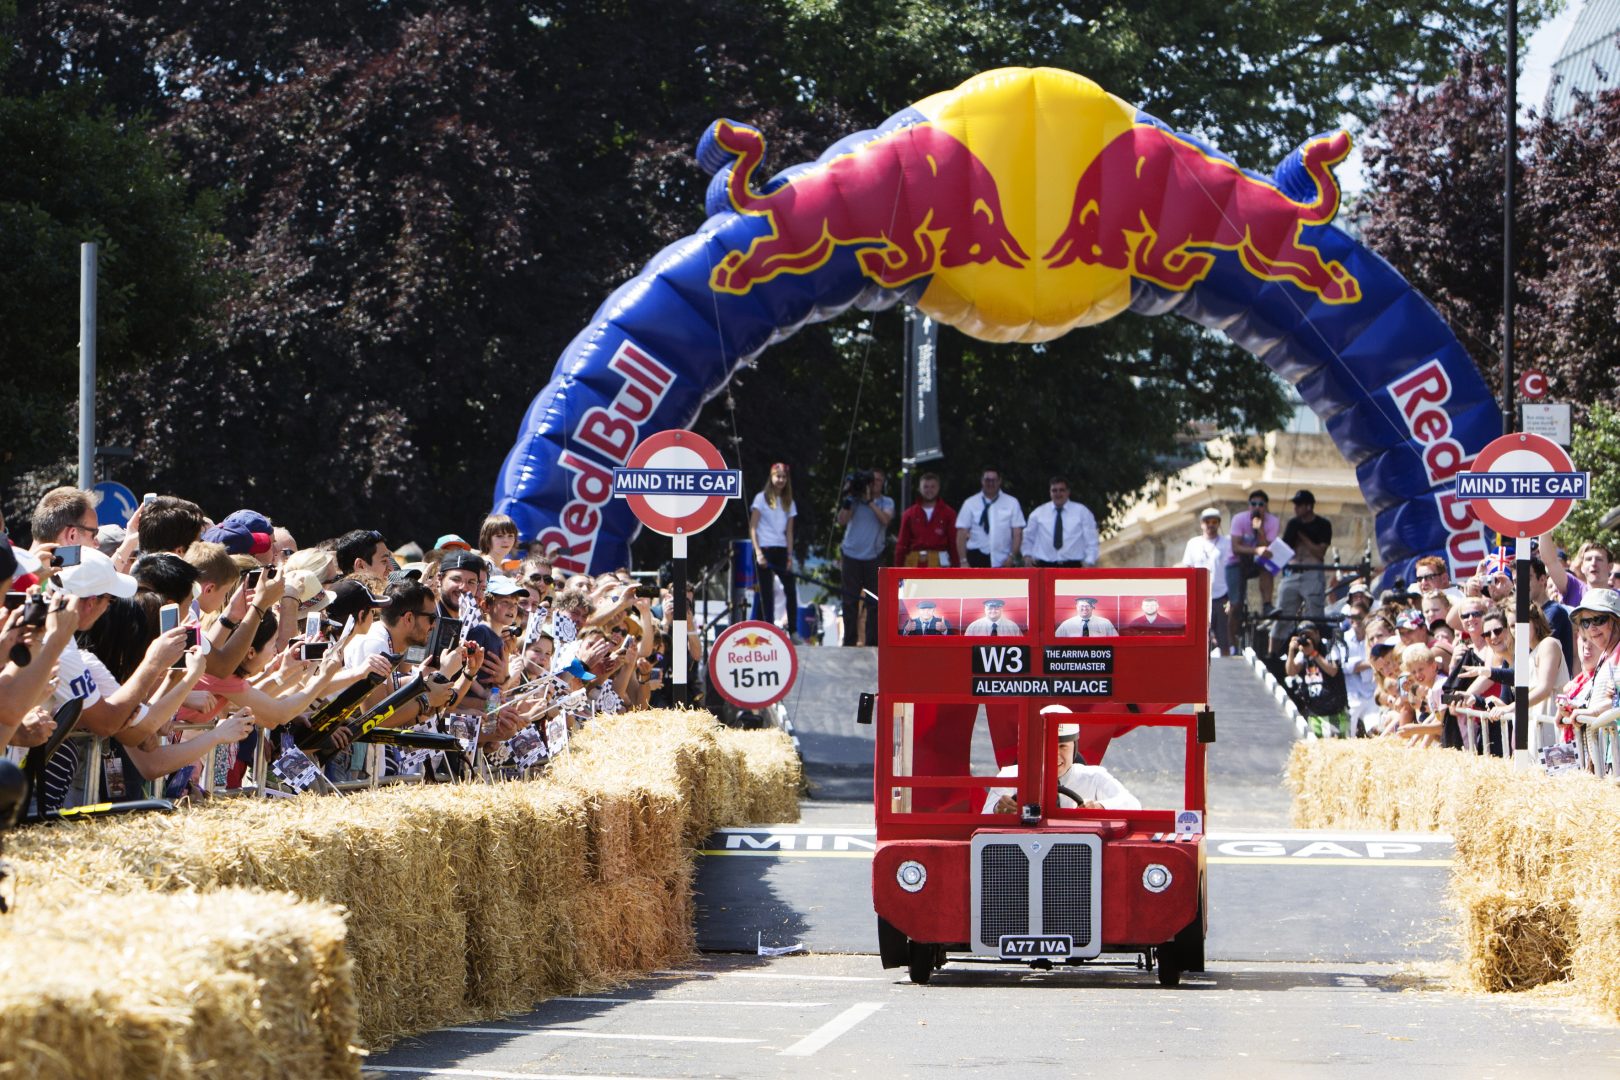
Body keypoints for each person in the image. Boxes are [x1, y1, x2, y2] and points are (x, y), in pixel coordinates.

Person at [984, 709, 1141, 813]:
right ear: (1032, 748)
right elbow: (984, 817)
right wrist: (999, 808)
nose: (1054, 755)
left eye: (1062, 746)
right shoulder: (1010, 776)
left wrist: (1099, 806)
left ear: (1075, 747)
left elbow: (1133, 805)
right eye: (1045, 746)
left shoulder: (1094, 777)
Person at [1269, 490, 1332, 655]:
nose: (1296, 508)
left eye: (1299, 505)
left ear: (1309, 506)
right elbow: (1285, 549)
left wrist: (1303, 538)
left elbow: (1320, 552)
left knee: (1314, 616)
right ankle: (1272, 655)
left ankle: (1315, 654)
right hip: (1293, 573)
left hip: (1313, 573)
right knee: (1282, 615)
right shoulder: (1293, 524)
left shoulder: (1323, 525)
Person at [836, 467, 893, 646]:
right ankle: (849, 640)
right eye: (871, 480)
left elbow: (885, 520)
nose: (874, 484)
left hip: (873, 556)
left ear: (883, 483)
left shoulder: (886, 502)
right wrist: (849, 498)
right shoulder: (855, 501)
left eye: (878, 480)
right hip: (851, 556)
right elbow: (841, 520)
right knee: (849, 601)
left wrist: (870, 502)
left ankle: (872, 642)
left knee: (874, 602)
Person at [748, 463, 798, 634]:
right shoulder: (761, 498)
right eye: (778, 476)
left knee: (790, 590)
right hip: (765, 548)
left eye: (784, 477)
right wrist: (758, 553)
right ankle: (768, 628)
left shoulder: (789, 502)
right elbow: (753, 527)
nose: (781, 480)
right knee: (766, 592)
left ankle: (793, 630)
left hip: (782, 549)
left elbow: (789, 531)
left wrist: (790, 556)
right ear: (771, 477)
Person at [1226, 490, 1279, 651]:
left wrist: (1260, 529)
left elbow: (1268, 549)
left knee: (1269, 566)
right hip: (1236, 562)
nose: (1257, 507)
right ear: (1249, 506)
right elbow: (1235, 548)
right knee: (1235, 604)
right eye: (1253, 504)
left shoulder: (1272, 521)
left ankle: (1267, 604)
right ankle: (1230, 642)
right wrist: (1256, 550)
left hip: (1257, 562)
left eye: (1261, 504)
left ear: (1266, 507)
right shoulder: (1239, 519)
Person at [1180, 507, 1232, 654]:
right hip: (1199, 598)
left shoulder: (1226, 543)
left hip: (1221, 596)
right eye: (1207, 521)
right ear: (1202, 524)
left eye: (1214, 521)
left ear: (1219, 523)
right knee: (1201, 638)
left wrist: (1231, 598)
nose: (1210, 524)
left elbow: (1232, 571)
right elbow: (1188, 569)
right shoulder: (1193, 543)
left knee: (1224, 639)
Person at [1285, 622, 1348, 738]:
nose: (1307, 639)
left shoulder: (1330, 647)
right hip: (1315, 712)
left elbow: (1333, 670)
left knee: (1337, 748)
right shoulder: (1302, 653)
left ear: (1317, 634)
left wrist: (1313, 653)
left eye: (1310, 635)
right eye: (1303, 636)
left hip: (1334, 711)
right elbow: (1291, 671)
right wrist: (1291, 651)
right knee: (1317, 749)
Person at [1020, 476, 1097, 567]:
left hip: (1073, 566)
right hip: (1044, 566)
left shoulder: (1082, 512)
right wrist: (1027, 555)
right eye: (1054, 490)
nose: (1058, 493)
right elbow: (1027, 538)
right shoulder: (1038, 513)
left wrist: (1089, 562)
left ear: (1068, 492)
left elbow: (1091, 540)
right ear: (1050, 492)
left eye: (1061, 490)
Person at [955, 468, 1025, 569]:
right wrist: (963, 561)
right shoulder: (970, 503)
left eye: (994, 480)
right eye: (987, 480)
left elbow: (1017, 533)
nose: (990, 483)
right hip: (976, 557)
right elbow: (961, 533)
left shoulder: (1012, 503)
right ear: (982, 481)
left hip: (1003, 559)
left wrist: (1012, 557)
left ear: (999, 481)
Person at [894, 472, 957, 567]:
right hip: (914, 562)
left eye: (933, 487)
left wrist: (957, 569)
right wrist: (897, 570)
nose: (929, 490)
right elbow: (902, 544)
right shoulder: (909, 514)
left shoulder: (949, 513)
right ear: (919, 489)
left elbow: (954, 544)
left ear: (938, 488)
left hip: (941, 563)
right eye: (926, 487)